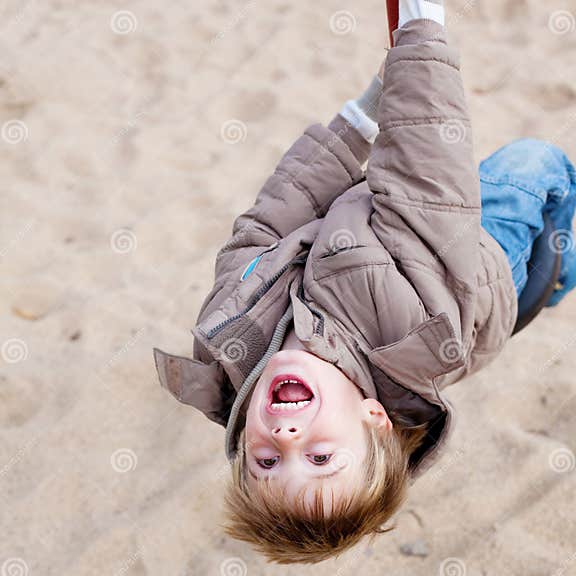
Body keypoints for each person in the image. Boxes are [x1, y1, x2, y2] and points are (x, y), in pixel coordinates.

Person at [153, 0, 576, 565]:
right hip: (478, 259)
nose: (286, 440)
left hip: (363, 230)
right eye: (321, 457)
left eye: (268, 462)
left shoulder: (225, 332)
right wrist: (422, 27)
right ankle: (554, 274)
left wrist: (360, 119)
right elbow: (425, 174)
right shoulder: (413, 321)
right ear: (373, 419)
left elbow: (273, 217)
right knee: (533, 165)